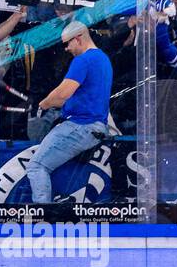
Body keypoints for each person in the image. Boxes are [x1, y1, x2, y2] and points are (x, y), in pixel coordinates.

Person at [25, 20, 113, 204]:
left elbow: (61, 95)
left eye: (67, 43)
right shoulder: (104, 59)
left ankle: (42, 215)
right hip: (96, 126)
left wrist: (43, 104)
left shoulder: (83, 60)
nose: (65, 49)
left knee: (36, 166)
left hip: (80, 126)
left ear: (79, 38)